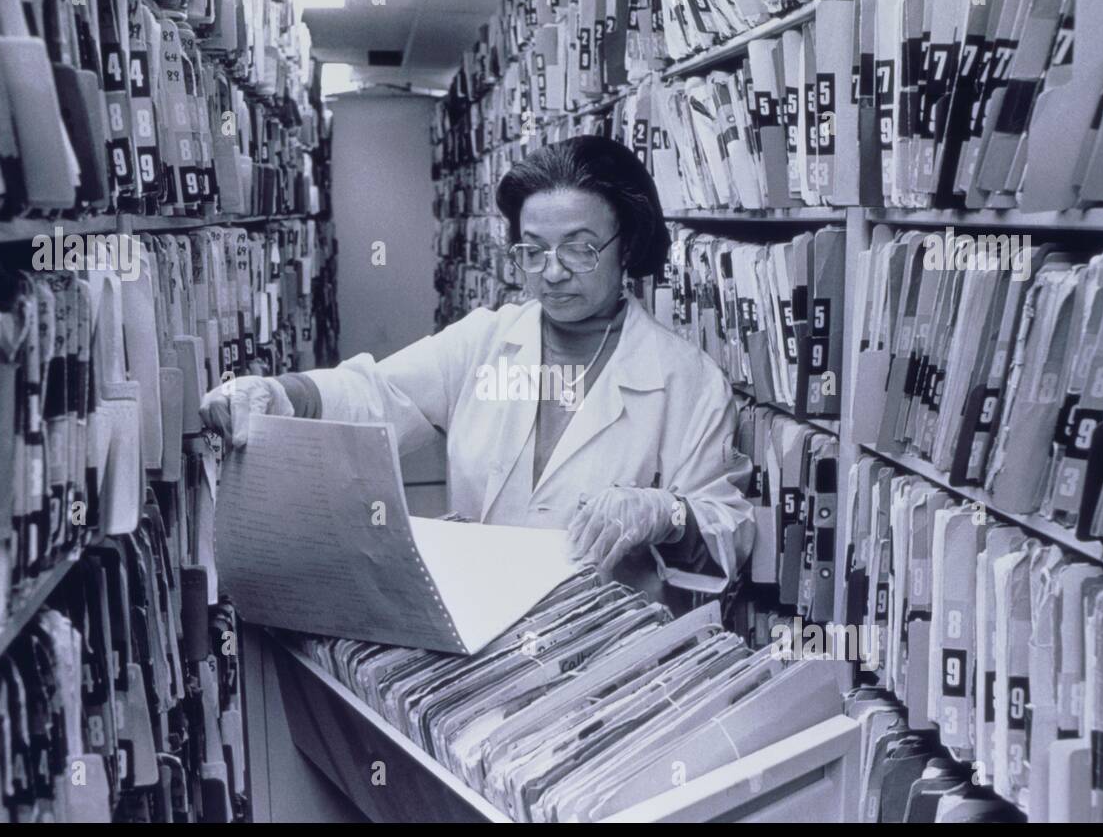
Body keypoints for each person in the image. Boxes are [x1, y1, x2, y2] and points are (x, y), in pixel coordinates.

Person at [200, 135, 753, 592]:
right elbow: (376, 395)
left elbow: (729, 532)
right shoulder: (485, 341)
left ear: (627, 245)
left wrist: (669, 514)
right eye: (532, 250)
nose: (552, 272)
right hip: (486, 631)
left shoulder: (687, 379)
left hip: (616, 658)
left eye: (579, 248)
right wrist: (277, 395)